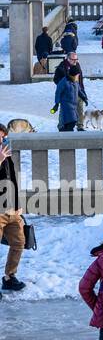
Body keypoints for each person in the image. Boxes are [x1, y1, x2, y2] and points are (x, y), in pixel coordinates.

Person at [0, 124, 26, 293]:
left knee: (19, 242)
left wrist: (18, 205)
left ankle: (9, 277)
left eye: (3, 137)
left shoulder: (6, 155)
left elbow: (13, 182)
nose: (2, 140)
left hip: (11, 210)